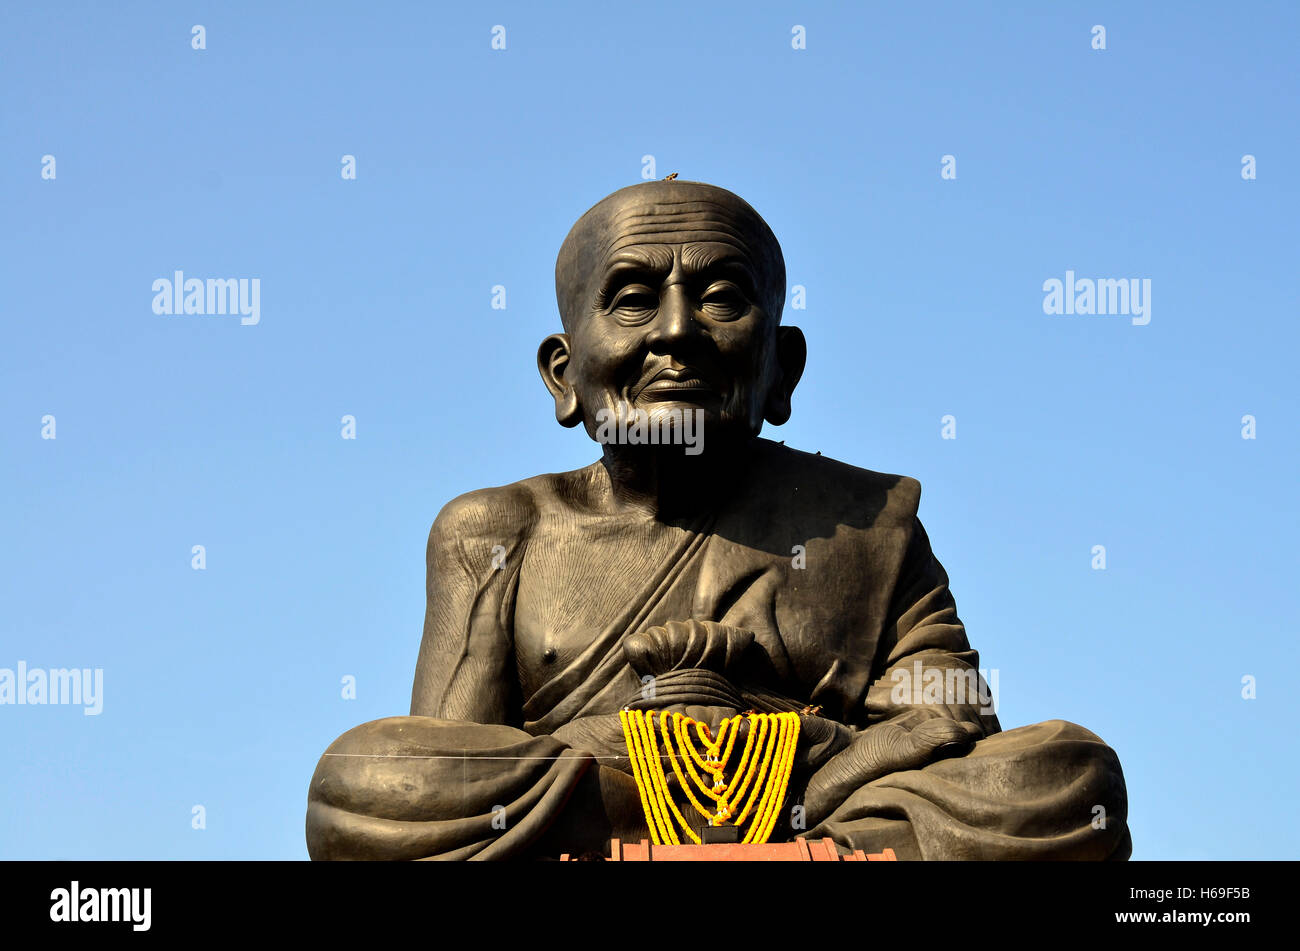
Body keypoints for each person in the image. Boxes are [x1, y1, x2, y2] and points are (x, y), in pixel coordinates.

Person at [305, 180, 1131, 860]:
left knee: (1064, 775)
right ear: (564, 374)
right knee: (372, 779)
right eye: (632, 299)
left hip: (820, 807)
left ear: (783, 366)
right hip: (593, 797)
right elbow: (452, 754)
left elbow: (951, 721)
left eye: (723, 298)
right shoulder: (495, 529)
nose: (677, 332)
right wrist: (654, 754)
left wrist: (796, 760)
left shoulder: (868, 524)